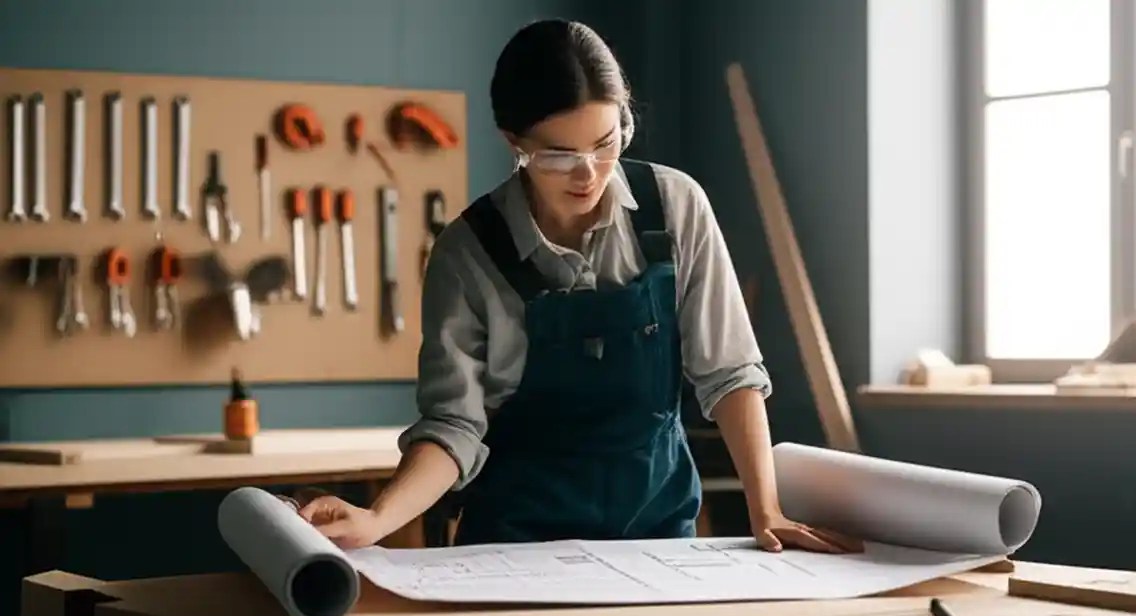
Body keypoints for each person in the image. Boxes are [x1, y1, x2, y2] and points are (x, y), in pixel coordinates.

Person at [297, 19, 860, 555]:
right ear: (513, 142)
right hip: (514, 545)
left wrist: (767, 510)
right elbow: (453, 427)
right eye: (559, 155)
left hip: (659, 540)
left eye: (606, 142)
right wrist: (378, 520)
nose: (588, 172)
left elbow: (731, 375)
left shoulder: (676, 207)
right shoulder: (467, 254)